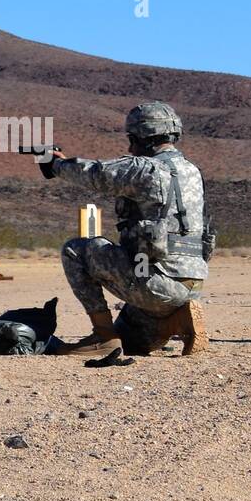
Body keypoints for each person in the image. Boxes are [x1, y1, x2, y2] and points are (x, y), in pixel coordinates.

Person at [42, 102, 213, 357]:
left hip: (154, 282)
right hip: (193, 282)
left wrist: (54, 165)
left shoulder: (144, 168)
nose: (130, 146)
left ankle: (103, 336)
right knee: (132, 343)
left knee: (75, 250)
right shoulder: (192, 171)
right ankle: (177, 318)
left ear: (140, 137)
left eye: (131, 139)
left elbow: (96, 175)